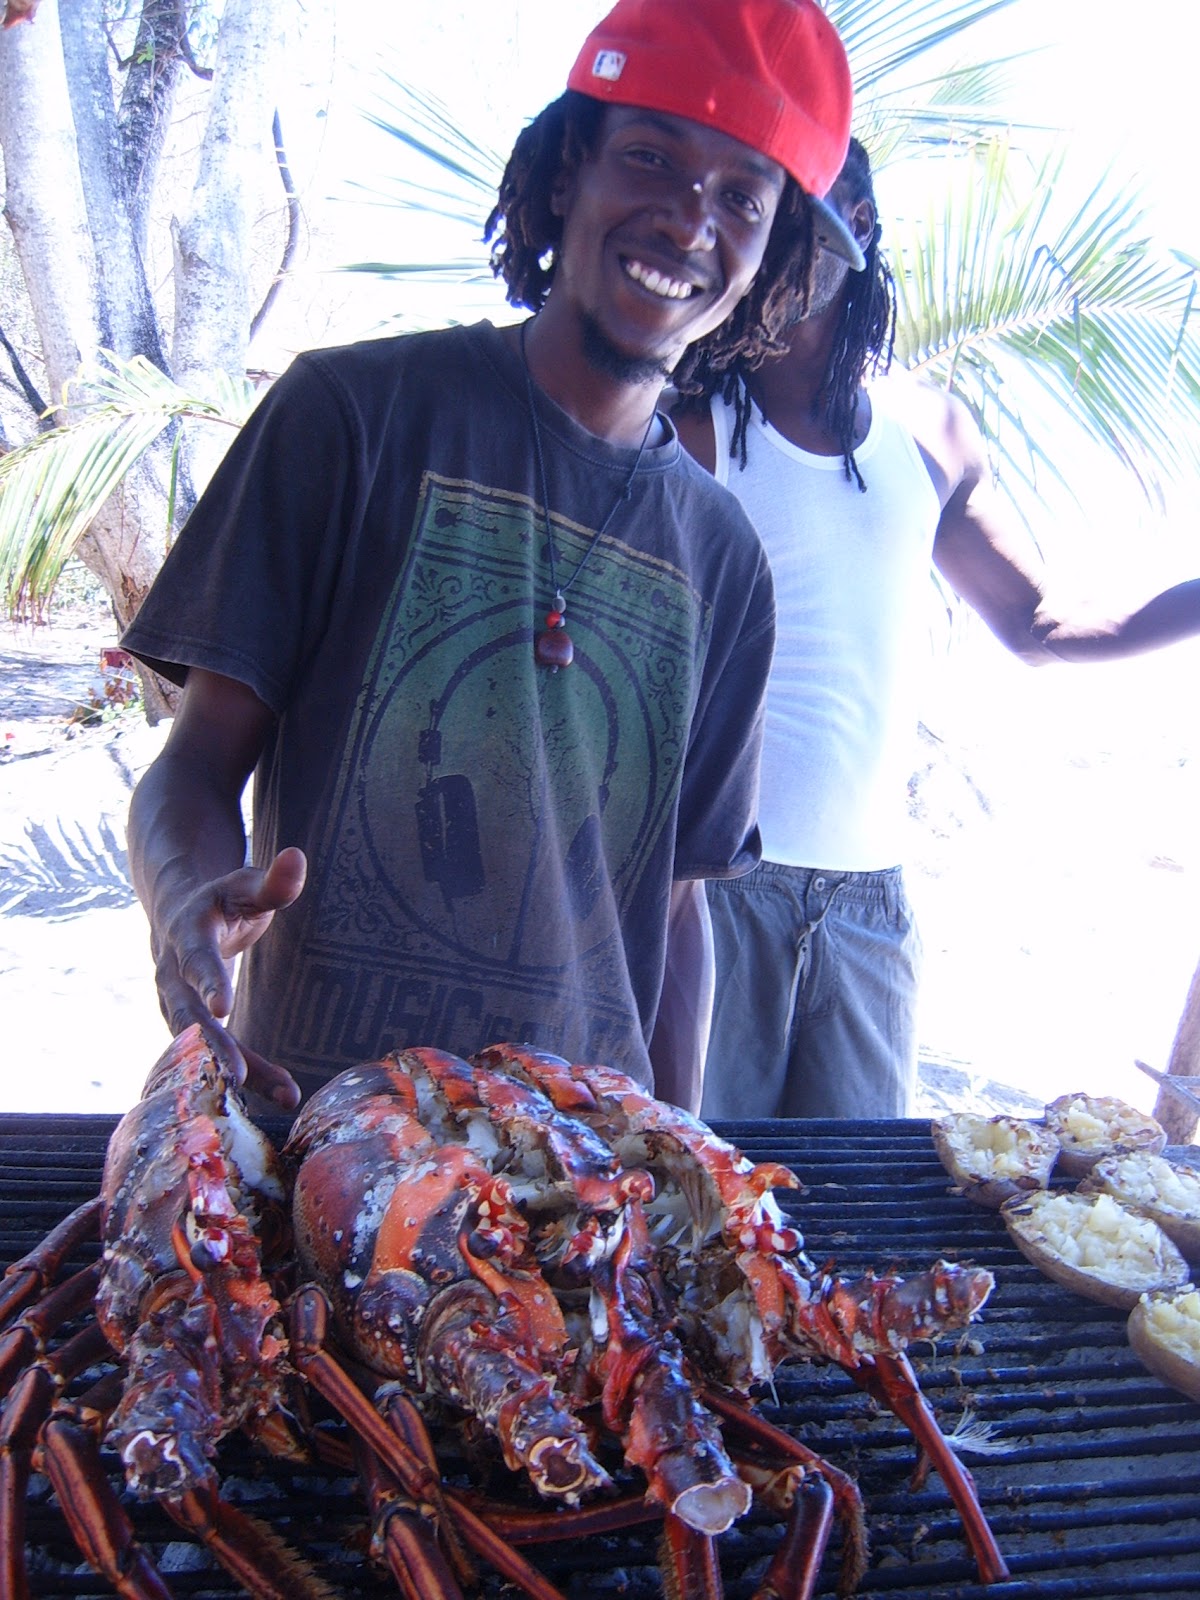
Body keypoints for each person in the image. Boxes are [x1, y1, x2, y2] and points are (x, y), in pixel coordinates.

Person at [121, 0, 864, 1113]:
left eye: (741, 200)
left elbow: (674, 907)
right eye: (652, 157)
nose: (687, 221)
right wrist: (185, 899)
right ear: (568, 169)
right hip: (322, 1137)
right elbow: (194, 763)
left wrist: (677, 1141)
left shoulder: (724, 560)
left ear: (770, 258)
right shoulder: (351, 419)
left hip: (577, 1182)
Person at [674, 136, 1200, 1122]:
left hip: (870, 909)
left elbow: (1040, 622)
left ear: (859, 231)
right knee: (701, 1195)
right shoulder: (692, 426)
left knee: (863, 1210)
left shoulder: (931, 434)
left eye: (802, 219)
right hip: (716, 892)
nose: (767, 246)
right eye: (753, 215)